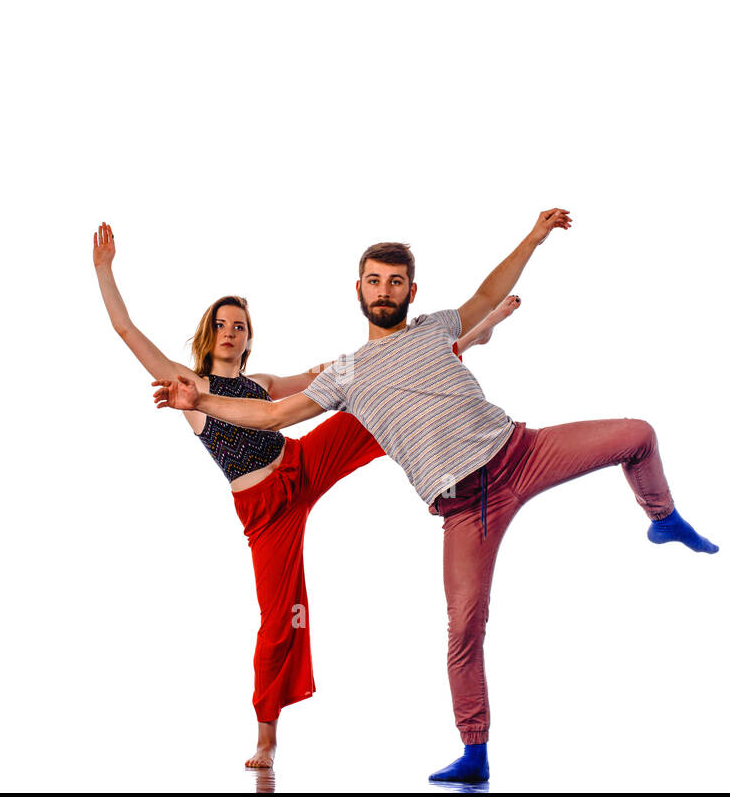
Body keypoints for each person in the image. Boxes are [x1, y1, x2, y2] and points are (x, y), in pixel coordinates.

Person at [152, 207, 718, 784]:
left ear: (411, 290)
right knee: (464, 628)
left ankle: (663, 517)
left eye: (395, 281)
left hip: (521, 453)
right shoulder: (346, 374)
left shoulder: (434, 328)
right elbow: (270, 412)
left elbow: (484, 294)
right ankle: (475, 755)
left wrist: (533, 238)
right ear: (358, 290)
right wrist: (201, 402)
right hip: (464, 507)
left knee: (638, 435)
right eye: (374, 280)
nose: (384, 290)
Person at [93, 221, 517, 769]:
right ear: (208, 334)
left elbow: (326, 374)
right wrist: (105, 269)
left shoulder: (263, 384)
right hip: (267, 512)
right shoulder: (188, 385)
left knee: (378, 393)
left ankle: (465, 341)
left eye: (239, 325)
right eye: (221, 324)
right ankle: (266, 737)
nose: (229, 332)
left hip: (301, 464)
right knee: (280, 619)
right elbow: (127, 331)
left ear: (249, 337)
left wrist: (456, 330)